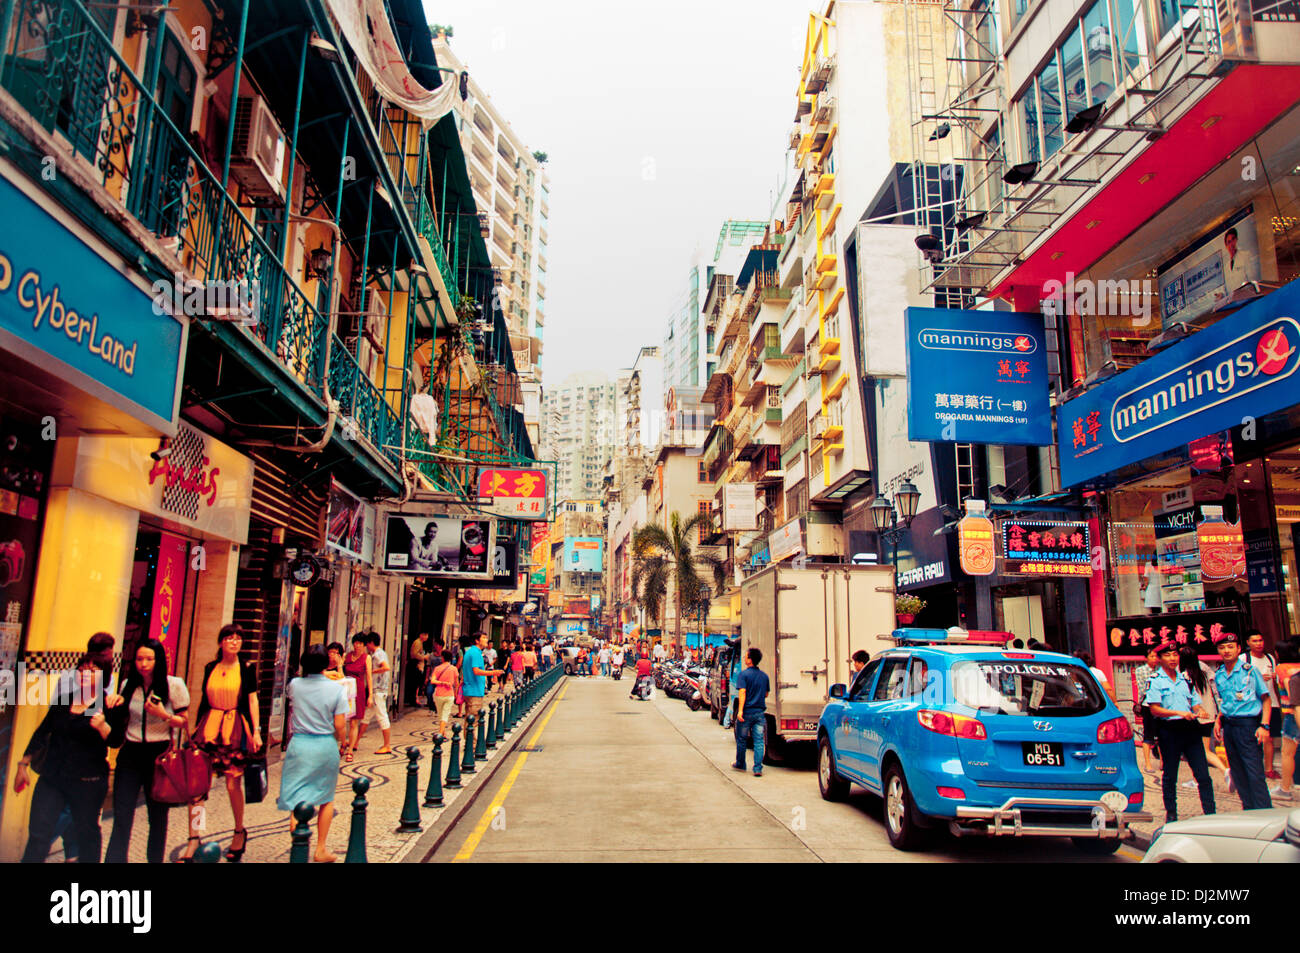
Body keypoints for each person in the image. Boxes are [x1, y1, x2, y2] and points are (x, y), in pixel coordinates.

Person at [15, 652, 112, 863]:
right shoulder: (64, 701)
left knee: (87, 837)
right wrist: (23, 765)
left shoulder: (107, 704)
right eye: (82, 669)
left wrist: (104, 727)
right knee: (39, 836)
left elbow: (116, 740)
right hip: (53, 778)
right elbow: (41, 733)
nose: (85, 674)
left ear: (104, 676)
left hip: (87, 783)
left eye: (92, 670)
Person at [105, 637, 190, 863]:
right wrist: (113, 703)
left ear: (158, 660)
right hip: (130, 754)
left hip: (159, 756)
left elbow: (184, 722)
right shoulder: (127, 685)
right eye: (140, 659)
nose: (143, 664)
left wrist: (163, 715)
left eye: (149, 659)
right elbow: (119, 719)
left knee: (158, 818)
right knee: (122, 815)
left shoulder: (174, 685)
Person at [187, 624, 262, 863]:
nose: (234, 642)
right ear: (220, 642)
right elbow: (202, 700)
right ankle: (194, 836)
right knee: (198, 787)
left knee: (233, 784)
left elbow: (252, 701)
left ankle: (239, 830)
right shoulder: (211, 666)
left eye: (238, 638)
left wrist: (257, 731)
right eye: (229, 638)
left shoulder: (247, 668)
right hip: (209, 726)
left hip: (234, 727)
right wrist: (195, 728)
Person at [277, 645, 349, 863]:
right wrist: (343, 743)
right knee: (326, 798)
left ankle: (299, 844)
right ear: (326, 664)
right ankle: (320, 849)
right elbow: (340, 724)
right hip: (325, 745)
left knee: (297, 797)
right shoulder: (336, 689)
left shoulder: (295, 686)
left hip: (298, 745)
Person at [1144, 640, 1215, 823]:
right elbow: (1154, 709)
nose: (1173, 658)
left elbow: (1195, 702)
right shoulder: (1155, 681)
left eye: (1175, 655)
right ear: (1159, 659)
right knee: (1170, 775)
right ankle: (1172, 813)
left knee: (1203, 774)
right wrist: (1178, 712)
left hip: (1190, 729)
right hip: (1169, 730)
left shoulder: (1186, 679)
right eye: (1167, 655)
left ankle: (1210, 812)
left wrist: (1199, 710)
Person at [1212, 632, 1273, 811]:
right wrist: (1218, 720)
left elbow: (1266, 699)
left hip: (1248, 726)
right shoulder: (1220, 674)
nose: (1227, 651)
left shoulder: (1250, 671)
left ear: (1238, 649)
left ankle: (1264, 812)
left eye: (1231, 647)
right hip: (1229, 727)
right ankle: (1249, 811)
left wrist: (1264, 725)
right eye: (1222, 648)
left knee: (1254, 773)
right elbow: (1226, 702)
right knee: (1238, 774)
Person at [1177, 644, 1230, 788]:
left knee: (1198, 752)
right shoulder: (1204, 674)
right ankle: (1201, 778)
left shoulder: (1183, 677)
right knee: (1203, 750)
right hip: (1208, 717)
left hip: (1193, 719)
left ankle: (1224, 770)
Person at [1245, 631, 1281, 779]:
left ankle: (1269, 769)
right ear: (1248, 643)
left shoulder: (1269, 658)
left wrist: (1275, 676)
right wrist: (1257, 679)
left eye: (1260, 640)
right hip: (1252, 705)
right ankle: (1254, 769)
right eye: (1254, 641)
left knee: (1269, 738)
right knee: (1253, 739)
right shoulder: (1244, 659)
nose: (1258, 643)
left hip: (1271, 702)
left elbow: (1277, 681)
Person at [732, 648, 770, 777]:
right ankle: (757, 768)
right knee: (759, 741)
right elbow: (766, 694)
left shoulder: (744, 675)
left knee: (741, 739)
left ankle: (741, 763)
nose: (744, 658)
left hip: (747, 712)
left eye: (746, 656)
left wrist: (740, 711)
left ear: (750, 660)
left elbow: (742, 692)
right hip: (759, 712)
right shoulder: (764, 676)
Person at [1274, 642, 1300, 802]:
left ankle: (1285, 788)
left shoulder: (1282, 668)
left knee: (1287, 753)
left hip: (1292, 714)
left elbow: (1291, 691)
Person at [342, 634, 372, 763]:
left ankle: (350, 751)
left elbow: (369, 677)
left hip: (358, 691)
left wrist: (370, 695)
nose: (357, 645)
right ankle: (343, 743)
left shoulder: (367, 658)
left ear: (364, 645)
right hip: (344, 690)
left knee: (354, 722)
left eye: (360, 643)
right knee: (342, 720)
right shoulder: (347, 656)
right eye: (356, 643)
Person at [1133, 646, 1162, 774]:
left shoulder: (1160, 670)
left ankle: (1162, 762)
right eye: (1152, 656)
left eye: (1156, 656)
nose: (1154, 659)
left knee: (1161, 734)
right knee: (1148, 735)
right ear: (1146, 658)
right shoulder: (1141, 670)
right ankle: (1148, 763)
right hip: (1147, 705)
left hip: (1160, 705)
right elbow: (1143, 688)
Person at [462, 632, 503, 721]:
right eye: (484, 638)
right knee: (474, 719)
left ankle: (470, 735)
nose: (486, 640)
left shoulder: (471, 652)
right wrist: (493, 673)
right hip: (474, 691)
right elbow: (476, 671)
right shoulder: (475, 653)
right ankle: (471, 735)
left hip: (471, 690)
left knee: (470, 719)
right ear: (477, 640)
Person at [365, 633, 393, 755]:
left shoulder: (377, 654)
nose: (366, 646)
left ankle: (387, 745)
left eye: (367, 643)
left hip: (378, 689)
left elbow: (386, 667)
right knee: (366, 716)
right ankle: (354, 743)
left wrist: (371, 671)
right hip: (380, 689)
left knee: (382, 716)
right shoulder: (382, 653)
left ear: (371, 642)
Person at [428, 650, 459, 738]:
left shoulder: (437, 668)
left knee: (441, 714)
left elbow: (432, 680)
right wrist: (456, 694)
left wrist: (441, 683)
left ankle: (441, 732)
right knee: (445, 714)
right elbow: (457, 683)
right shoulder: (454, 669)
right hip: (449, 694)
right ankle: (441, 733)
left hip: (438, 694)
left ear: (442, 658)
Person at [406, 633, 431, 707]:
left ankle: (414, 699)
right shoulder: (417, 642)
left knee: (416, 684)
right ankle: (413, 700)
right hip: (416, 665)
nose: (426, 637)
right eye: (425, 634)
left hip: (419, 665)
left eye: (427, 635)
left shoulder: (420, 643)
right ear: (421, 635)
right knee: (415, 684)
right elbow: (414, 654)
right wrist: (424, 657)